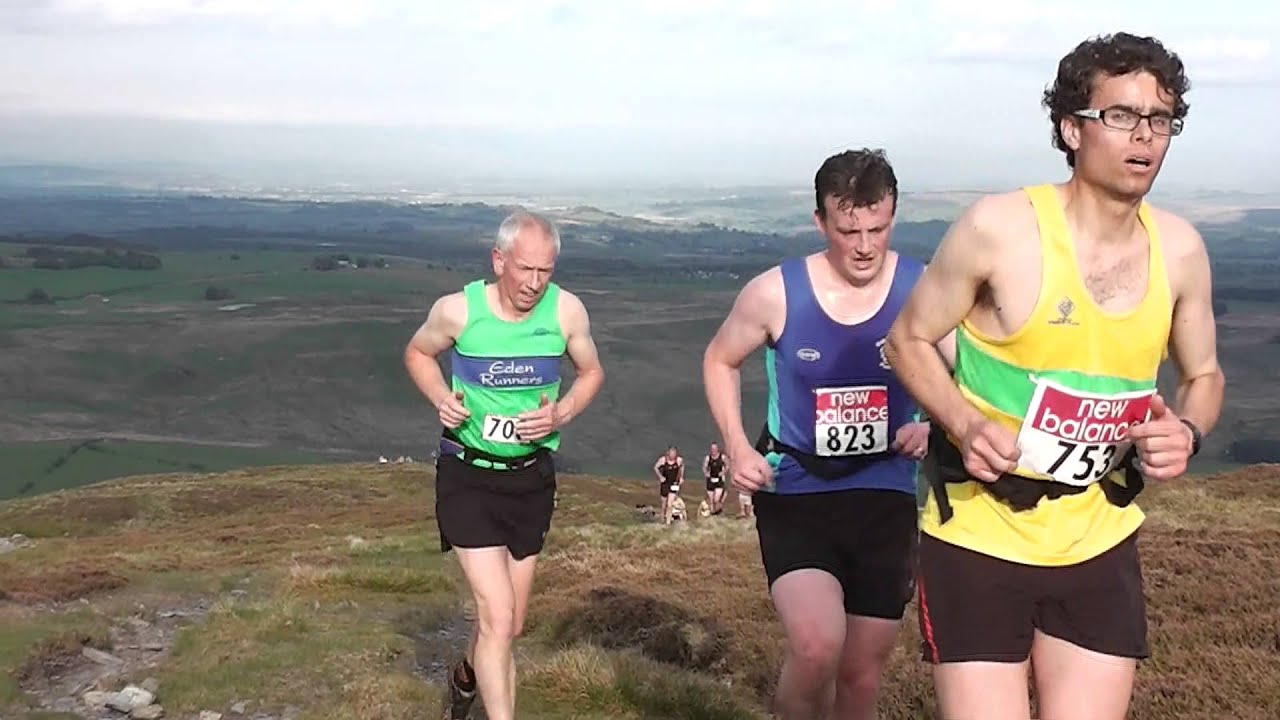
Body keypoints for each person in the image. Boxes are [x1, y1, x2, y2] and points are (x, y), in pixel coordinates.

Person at [885, 32, 1225, 720]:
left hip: (1099, 533)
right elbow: (908, 339)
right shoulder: (999, 229)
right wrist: (965, 422)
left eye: (1160, 120)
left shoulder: (1182, 250)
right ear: (1071, 129)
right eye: (1120, 116)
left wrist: (1186, 430)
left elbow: (1206, 374)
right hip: (979, 532)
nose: (1145, 138)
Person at [703, 149, 951, 720]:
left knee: (861, 676)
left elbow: (972, 373)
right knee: (816, 647)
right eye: (849, 230)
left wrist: (934, 425)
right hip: (797, 488)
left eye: (879, 228)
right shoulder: (775, 293)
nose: (865, 245)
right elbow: (719, 359)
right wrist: (739, 446)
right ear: (821, 223)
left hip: (885, 490)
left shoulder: (924, 289)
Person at [404, 210, 605, 720]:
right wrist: (439, 398)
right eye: (524, 270)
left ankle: (466, 676)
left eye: (546, 271)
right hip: (467, 473)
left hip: (531, 480)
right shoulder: (458, 311)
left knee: (509, 624)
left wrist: (561, 412)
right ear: (499, 260)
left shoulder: (566, 314)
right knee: (496, 617)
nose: (534, 284)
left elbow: (591, 373)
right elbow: (418, 353)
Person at [653, 445, 685, 525]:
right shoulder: (663, 460)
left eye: (674, 454)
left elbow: (682, 466)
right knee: (664, 505)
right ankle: (662, 520)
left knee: (670, 504)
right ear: (668, 453)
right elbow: (655, 467)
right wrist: (660, 477)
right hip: (665, 483)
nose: (673, 456)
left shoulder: (679, 460)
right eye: (671, 454)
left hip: (674, 484)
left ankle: (668, 522)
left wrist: (681, 477)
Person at [703, 441, 731, 515]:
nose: (713, 450)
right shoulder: (708, 458)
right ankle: (713, 514)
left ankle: (719, 510)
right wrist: (706, 473)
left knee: (716, 499)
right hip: (710, 480)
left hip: (719, 480)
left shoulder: (722, 457)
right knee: (711, 500)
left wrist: (723, 472)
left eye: (715, 448)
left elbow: (728, 465)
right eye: (712, 449)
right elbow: (704, 467)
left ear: (717, 449)